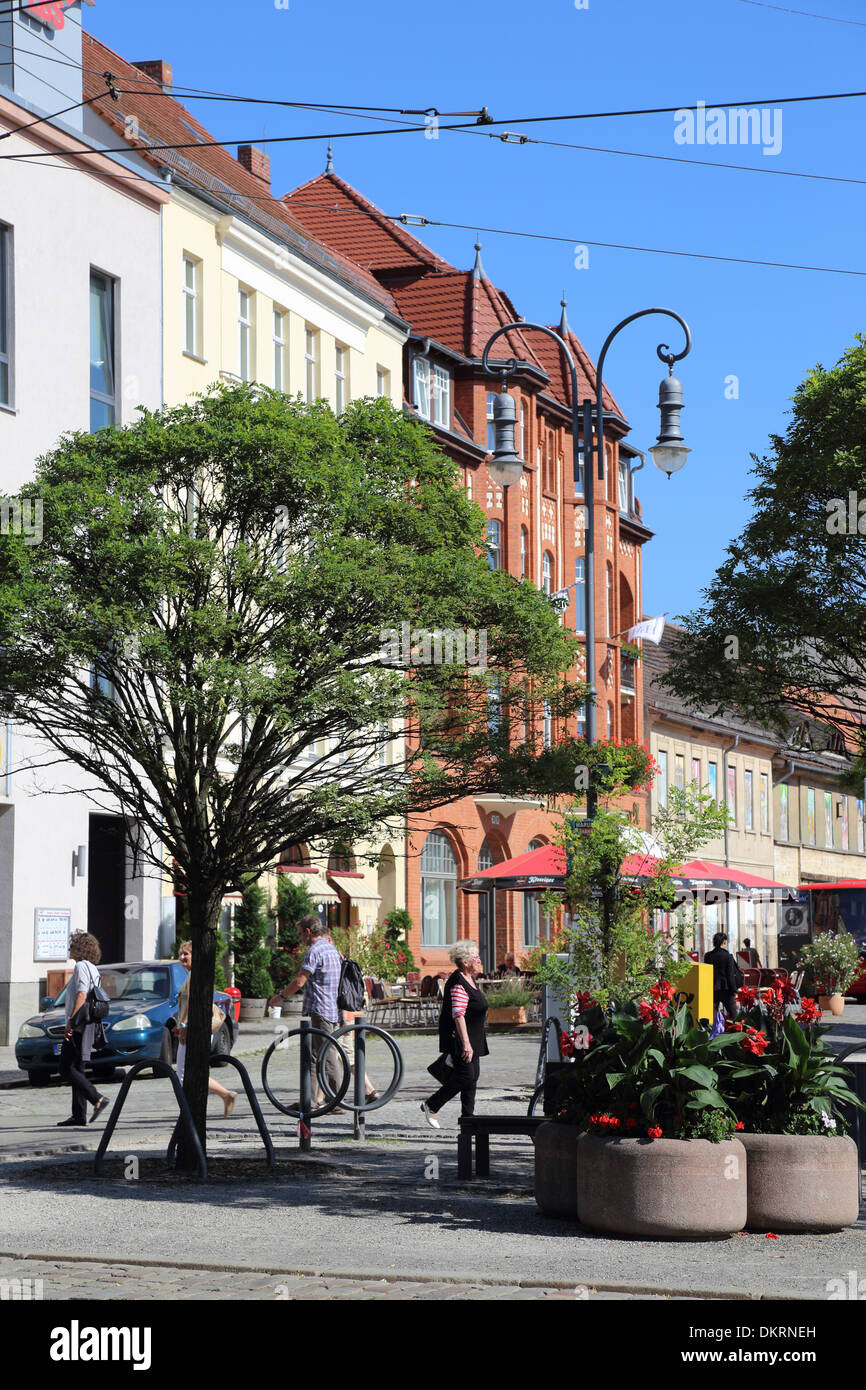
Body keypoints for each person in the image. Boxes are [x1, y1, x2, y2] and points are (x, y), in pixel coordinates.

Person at [273, 915, 345, 1112]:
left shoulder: (314, 951)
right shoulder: (332, 949)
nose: (300, 938)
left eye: (300, 933)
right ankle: (310, 1101)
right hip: (331, 1009)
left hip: (320, 1009)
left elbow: (299, 982)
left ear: (307, 931)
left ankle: (337, 1100)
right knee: (315, 1056)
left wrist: (279, 996)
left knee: (326, 1055)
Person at [421, 940, 489, 1129]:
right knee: (465, 1077)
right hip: (461, 1038)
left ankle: (468, 1118)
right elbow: (458, 1015)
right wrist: (466, 1043)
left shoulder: (470, 978)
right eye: (475, 957)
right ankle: (432, 1105)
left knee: (472, 1077)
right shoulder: (458, 981)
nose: (479, 960)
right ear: (465, 962)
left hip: (474, 1037)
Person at [174, 941, 237, 1118]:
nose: (182, 957)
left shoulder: (195, 975)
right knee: (192, 1073)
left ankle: (188, 1115)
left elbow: (191, 1003)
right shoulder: (196, 975)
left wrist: (184, 1026)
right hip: (196, 1029)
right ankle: (224, 1096)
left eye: (186, 954)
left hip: (193, 1030)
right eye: (181, 954)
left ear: (196, 956)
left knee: (184, 1075)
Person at [57, 931, 109, 1127]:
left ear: (80, 949)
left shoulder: (80, 966)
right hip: (89, 1022)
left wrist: (71, 1022)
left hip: (79, 1023)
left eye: (72, 946)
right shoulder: (93, 968)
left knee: (65, 1068)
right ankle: (78, 1115)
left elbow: (81, 995)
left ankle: (97, 1098)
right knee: (77, 1068)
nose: (69, 949)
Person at [704, 931, 742, 1021]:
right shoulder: (728, 956)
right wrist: (734, 990)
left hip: (712, 989)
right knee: (733, 1015)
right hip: (726, 989)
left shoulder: (708, 956)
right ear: (724, 942)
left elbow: (706, 973)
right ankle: (735, 1032)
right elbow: (730, 975)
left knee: (712, 1014)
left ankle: (712, 1033)